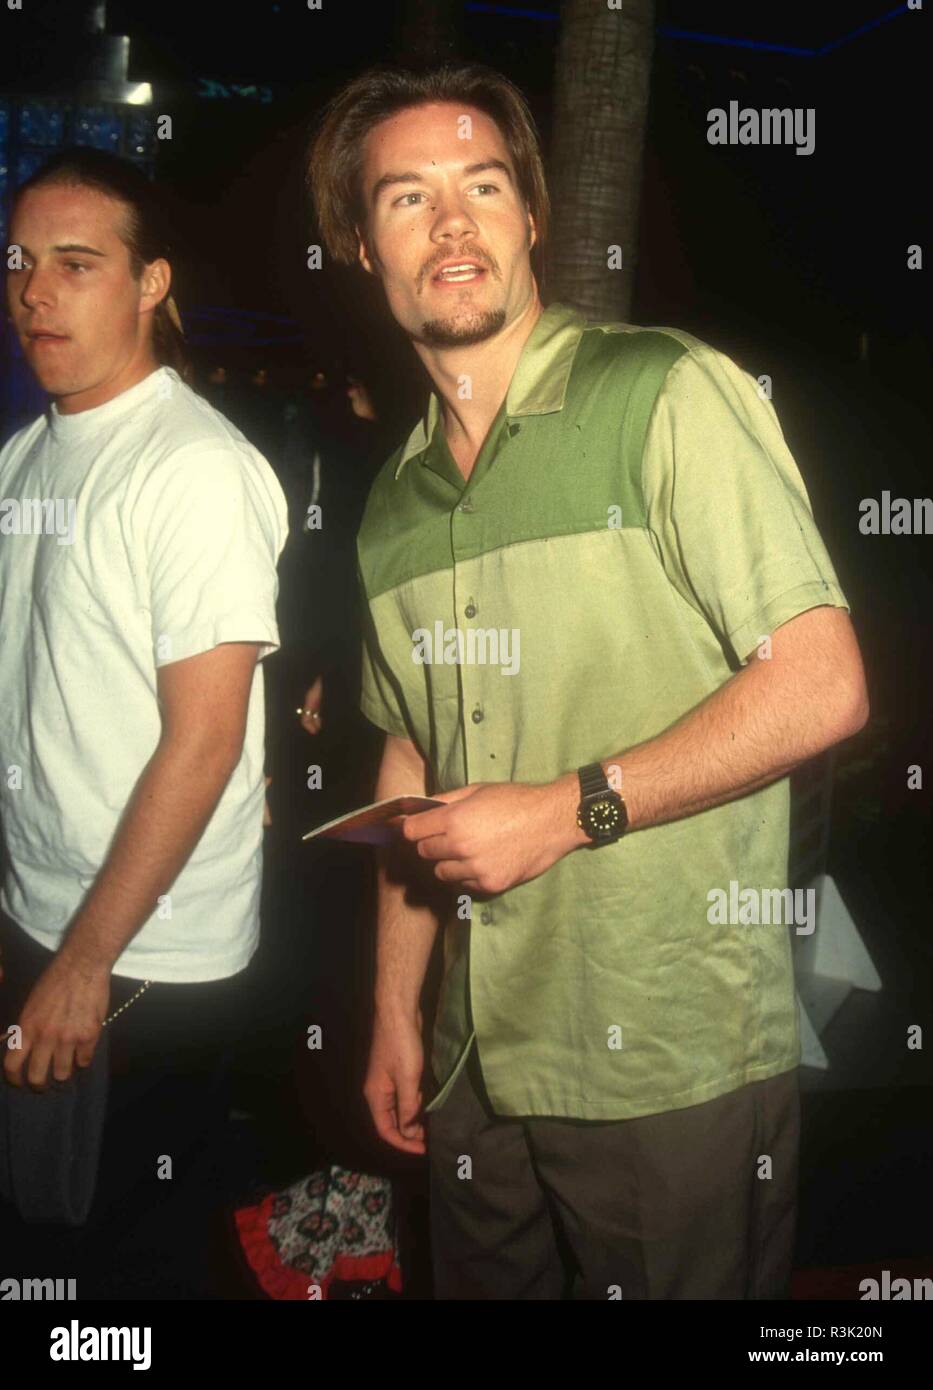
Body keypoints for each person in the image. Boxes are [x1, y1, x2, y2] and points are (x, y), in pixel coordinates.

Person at [306, 62, 871, 1300]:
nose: (452, 225)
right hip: (472, 1064)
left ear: (532, 218)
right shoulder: (393, 499)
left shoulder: (664, 392)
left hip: (662, 1057)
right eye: (406, 198)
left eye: (484, 185)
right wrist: (397, 1012)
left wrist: (564, 811)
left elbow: (822, 682)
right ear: (358, 245)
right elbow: (412, 762)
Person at [0, 148, 288, 1291]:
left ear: (151, 283)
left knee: (130, 1248)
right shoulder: (26, 454)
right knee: (45, 1214)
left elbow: (203, 739)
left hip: (144, 952)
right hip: (44, 910)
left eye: (78, 264)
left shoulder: (192, 469)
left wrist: (85, 957)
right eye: (21, 262)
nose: (34, 291)